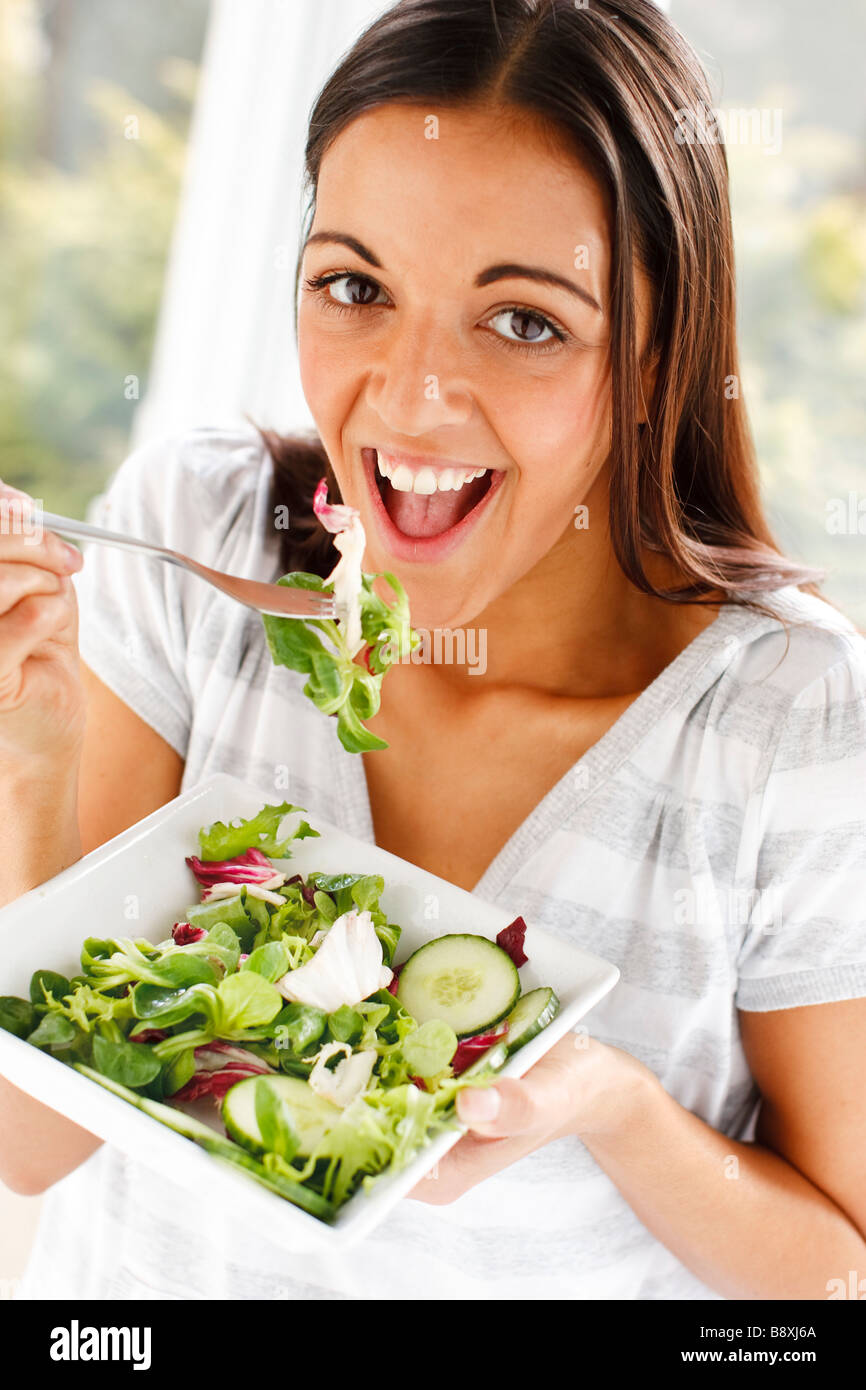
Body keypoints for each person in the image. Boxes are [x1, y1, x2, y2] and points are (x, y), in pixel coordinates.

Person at [2, 0, 865, 1301]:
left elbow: (833, 1274)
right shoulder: (197, 540)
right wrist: (29, 764)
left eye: (522, 321)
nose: (409, 397)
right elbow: (36, 1138)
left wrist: (612, 1105)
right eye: (355, 287)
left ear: (651, 357)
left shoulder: (784, 718)